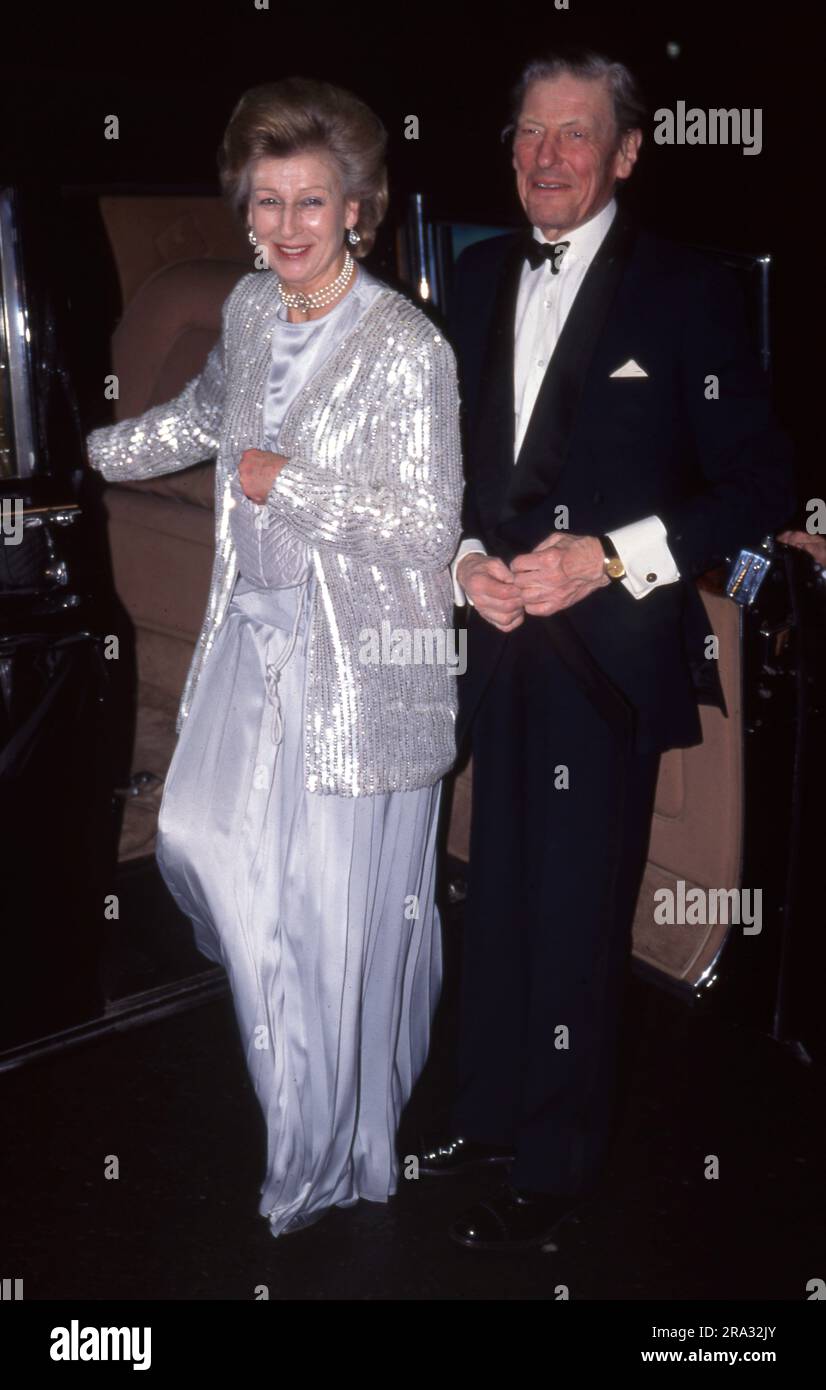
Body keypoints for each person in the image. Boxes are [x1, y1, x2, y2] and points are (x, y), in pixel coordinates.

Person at [417, 46, 796, 1250]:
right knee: (490, 887)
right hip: (490, 636)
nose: (546, 156)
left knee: (575, 912)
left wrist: (607, 555)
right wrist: (463, 563)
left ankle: (554, 1175)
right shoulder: (473, 279)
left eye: (575, 134)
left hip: (609, 652)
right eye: (529, 132)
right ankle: (483, 1119)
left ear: (626, 152)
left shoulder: (689, 290)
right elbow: (436, 471)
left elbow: (757, 482)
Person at [86, 78, 462, 1238]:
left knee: (334, 920)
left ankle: (322, 1163)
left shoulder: (408, 347)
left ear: (360, 207)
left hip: (359, 671)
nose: (287, 228)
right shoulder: (253, 308)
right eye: (265, 203)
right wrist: (91, 450)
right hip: (251, 641)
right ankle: (312, 1117)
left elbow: (426, 524)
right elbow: (209, 413)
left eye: (312, 203)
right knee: (198, 841)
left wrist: (286, 483)